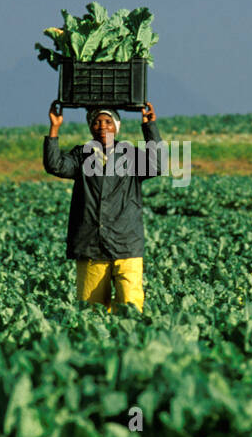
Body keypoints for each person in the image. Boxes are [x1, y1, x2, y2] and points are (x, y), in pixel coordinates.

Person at [43, 101, 164, 312]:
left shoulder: (131, 156)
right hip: (91, 245)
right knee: (91, 312)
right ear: (90, 127)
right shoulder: (82, 155)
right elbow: (55, 165)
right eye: (97, 122)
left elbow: (157, 165)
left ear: (116, 126)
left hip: (126, 244)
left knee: (131, 308)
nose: (102, 127)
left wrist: (149, 127)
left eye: (108, 121)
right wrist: (54, 128)